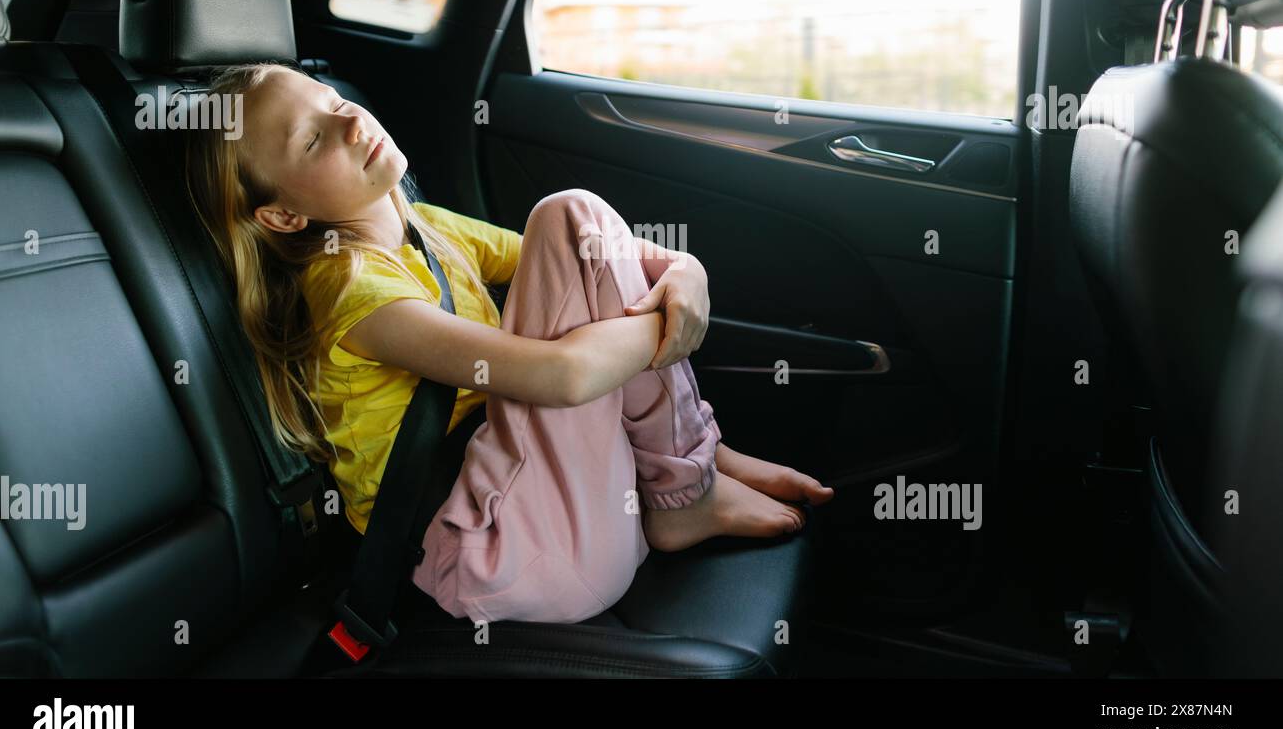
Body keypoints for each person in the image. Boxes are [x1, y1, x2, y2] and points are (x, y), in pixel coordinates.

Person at [184, 61, 833, 624]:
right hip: (511, 553)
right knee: (571, 214)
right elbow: (563, 377)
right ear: (283, 216)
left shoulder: (429, 229)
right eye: (313, 137)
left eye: (333, 100)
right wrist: (674, 320)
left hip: (557, 500)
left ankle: (692, 468)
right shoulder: (348, 291)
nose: (351, 121)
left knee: (575, 225)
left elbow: (601, 263)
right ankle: (685, 486)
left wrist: (687, 272)